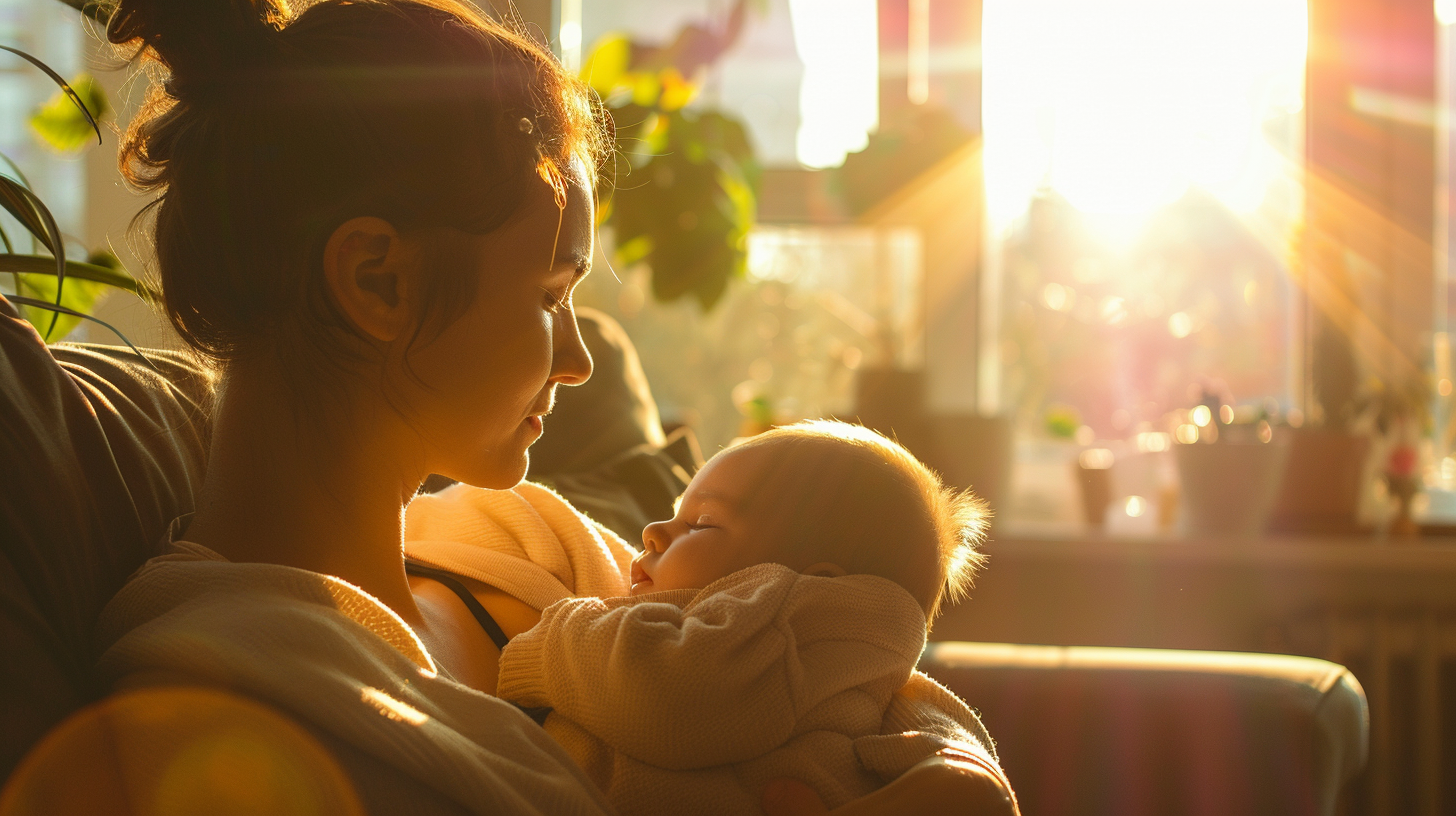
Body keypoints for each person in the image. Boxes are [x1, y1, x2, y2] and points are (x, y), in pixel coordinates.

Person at [59, 0, 1019, 813]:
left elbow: (846, 655)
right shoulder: (224, 708)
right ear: (378, 279)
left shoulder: (526, 549)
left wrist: (949, 767)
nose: (578, 361)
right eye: (552, 295)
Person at [490, 420, 1005, 815]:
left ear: (818, 586)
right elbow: (961, 759)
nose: (652, 531)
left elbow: (668, 694)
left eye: (702, 522)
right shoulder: (882, 682)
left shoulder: (782, 618)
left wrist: (547, 643)